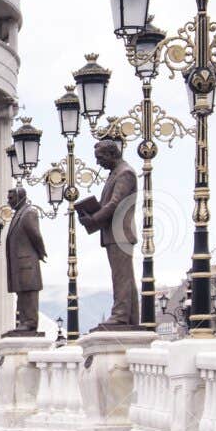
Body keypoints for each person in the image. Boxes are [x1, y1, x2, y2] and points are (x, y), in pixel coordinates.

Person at [79, 137, 140, 328]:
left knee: (121, 275)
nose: (98, 162)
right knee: (124, 275)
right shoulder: (116, 172)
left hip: (120, 233)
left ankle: (121, 316)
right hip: (114, 233)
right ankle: (129, 317)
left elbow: (114, 203)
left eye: (100, 157)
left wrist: (94, 219)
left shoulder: (125, 173)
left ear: (112, 154)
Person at [3, 186, 46, 335]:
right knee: (22, 294)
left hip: (27, 262)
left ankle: (30, 322)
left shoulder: (29, 212)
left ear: (20, 197)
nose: (8, 202)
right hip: (19, 264)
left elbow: (36, 235)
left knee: (29, 293)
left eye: (11, 198)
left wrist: (41, 252)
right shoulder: (19, 214)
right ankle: (23, 322)